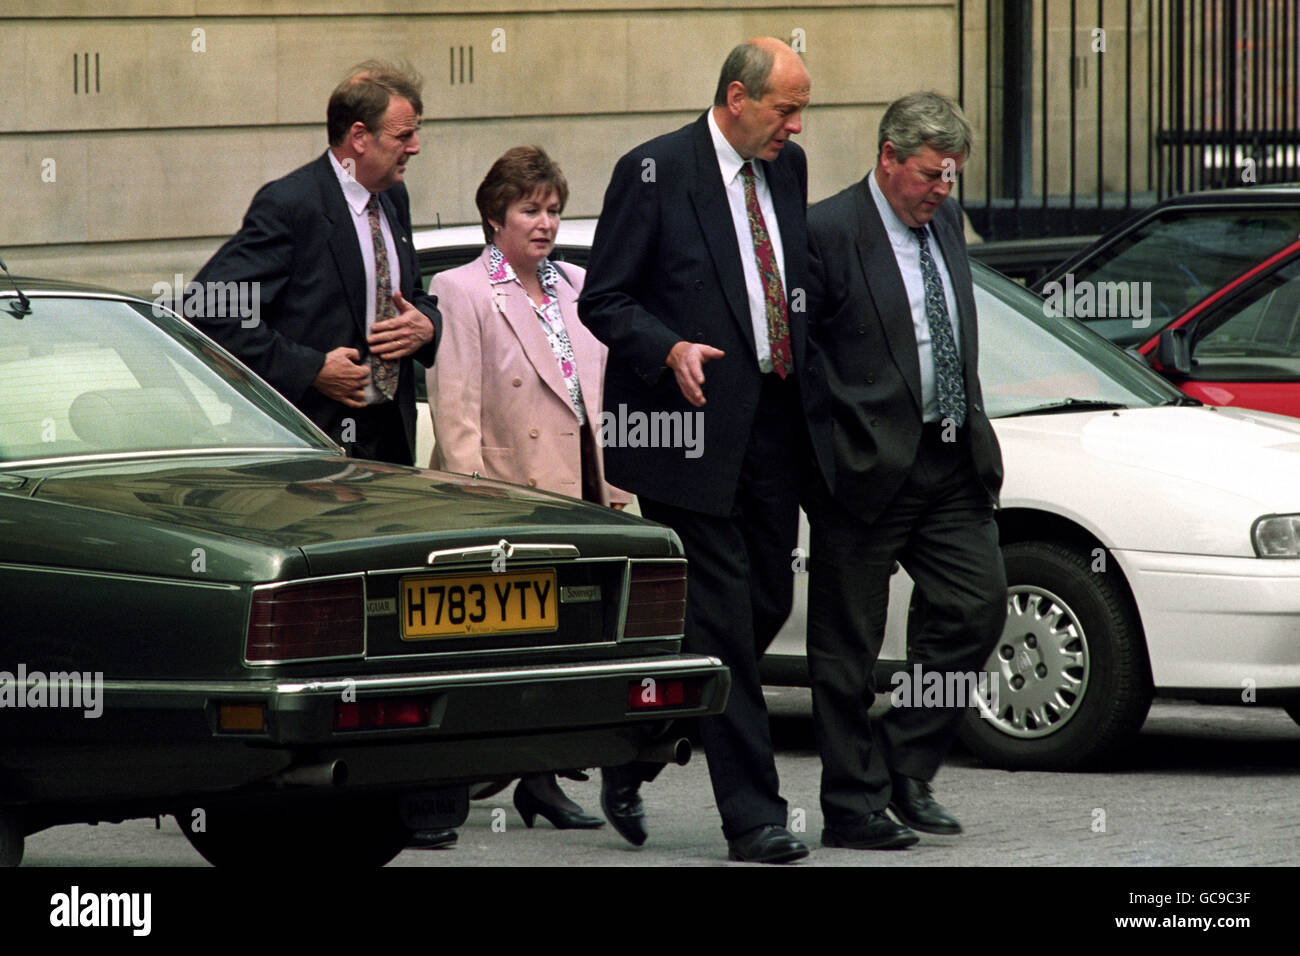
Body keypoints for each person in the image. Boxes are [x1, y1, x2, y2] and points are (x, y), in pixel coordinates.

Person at [579, 38, 834, 863]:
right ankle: (755, 817)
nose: (795, 126)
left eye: (800, 111)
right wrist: (669, 348)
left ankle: (641, 741)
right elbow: (604, 299)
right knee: (724, 624)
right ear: (735, 97)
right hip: (686, 433)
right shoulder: (654, 171)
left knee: (763, 605)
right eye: (784, 109)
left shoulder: (785, 172)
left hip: (772, 427)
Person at [804, 91, 1006, 850]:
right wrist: (829, 453)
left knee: (977, 609)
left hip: (949, 456)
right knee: (847, 649)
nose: (941, 190)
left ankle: (903, 761)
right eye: (928, 175)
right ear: (888, 158)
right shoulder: (827, 230)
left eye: (951, 176)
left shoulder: (945, 219)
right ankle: (851, 807)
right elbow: (804, 361)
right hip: (863, 467)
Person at [427, 145, 631, 831]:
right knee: (489, 649)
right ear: (495, 217)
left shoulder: (578, 285)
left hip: (578, 483)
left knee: (563, 641)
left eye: (552, 210)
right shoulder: (463, 290)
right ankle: (445, 791)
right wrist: (468, 497)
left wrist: (616, 483)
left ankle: (540, 780)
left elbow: (598, 395)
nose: (544, 223)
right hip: (505, 490)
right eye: (529, 210)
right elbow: (456, 406)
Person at [192, 60, 441, 466]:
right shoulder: (292, 204)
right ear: (359, 136)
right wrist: (311, 368)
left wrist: (428, 325)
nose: (414, 146)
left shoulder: (395, 198)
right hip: (310, 449)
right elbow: (208, 309)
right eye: (404, 135)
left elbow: (411, 295)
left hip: (390, 447)